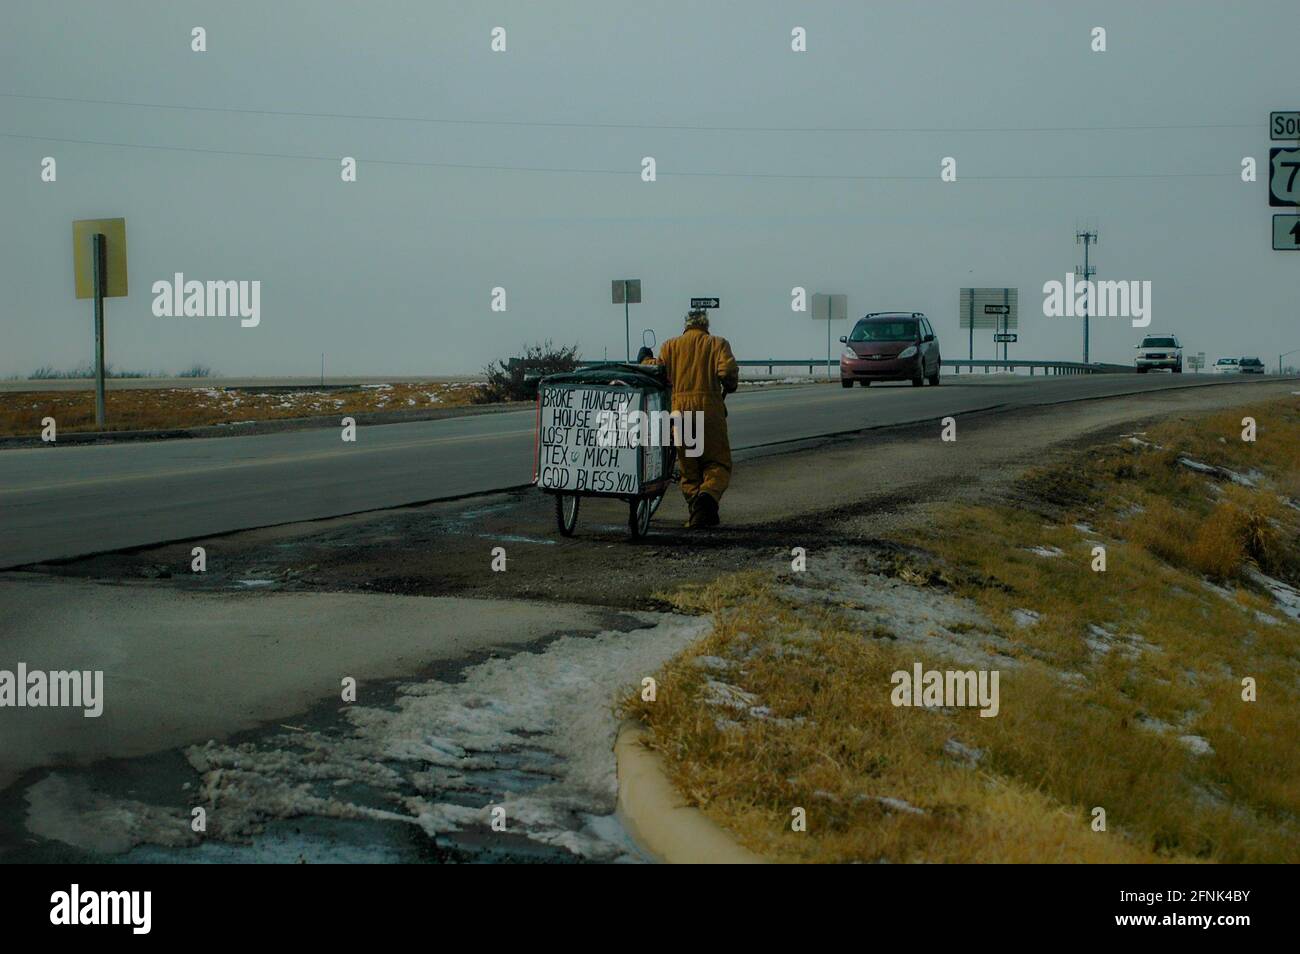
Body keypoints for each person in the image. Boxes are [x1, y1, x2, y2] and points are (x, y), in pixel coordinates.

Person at [645, 309, 739, 528]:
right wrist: (730, 385)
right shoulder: (717, 344)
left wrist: (644, 358)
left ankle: (698, 513)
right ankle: (707, 497)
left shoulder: (670, 346)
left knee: (689, 468)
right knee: (718, 463)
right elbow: (727, 372)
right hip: (709, 412)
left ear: (685, 326)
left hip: (679, 413)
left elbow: (656, 369)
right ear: (705, 325)